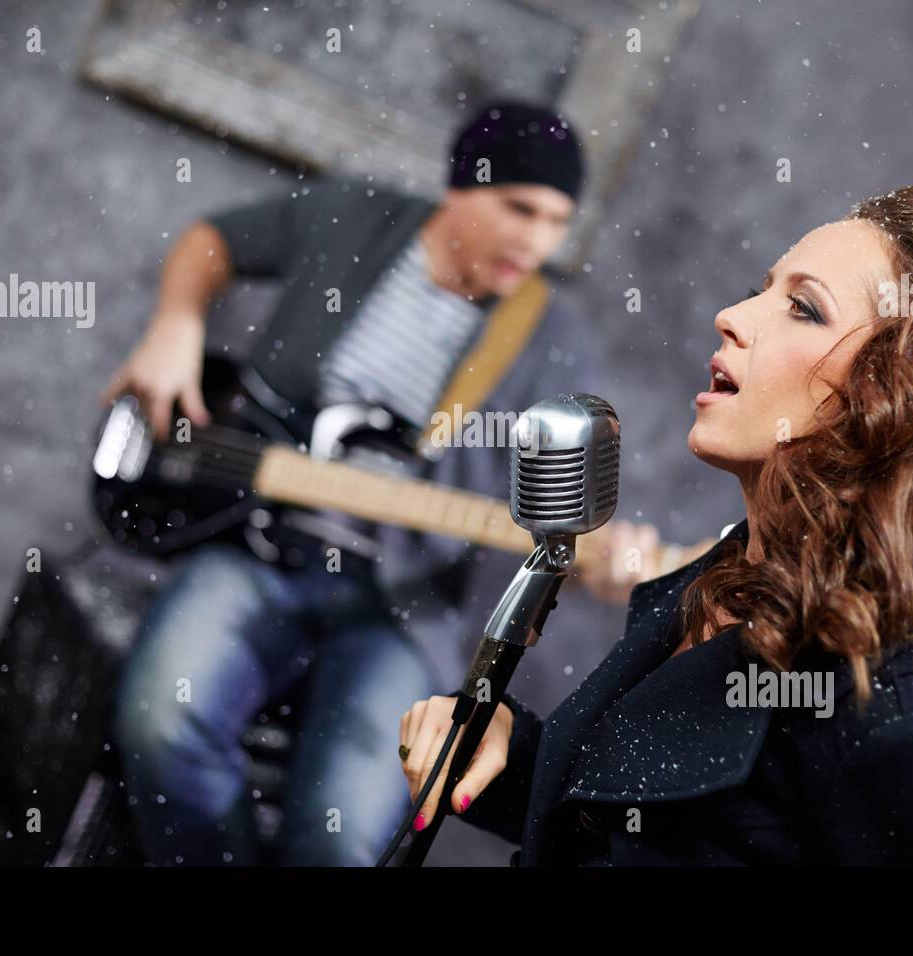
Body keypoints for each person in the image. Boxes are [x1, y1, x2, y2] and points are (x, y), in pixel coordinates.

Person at [399, 184, 913, 865]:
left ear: (898, 400)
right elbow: (643, 832)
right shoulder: (712, 588)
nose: (733, 317)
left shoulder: (902, 720)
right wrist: (510, 756)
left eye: (804, 308)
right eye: (760, 291)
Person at [105, 100, 651, 867]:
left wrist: (600, 558)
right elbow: (213, 241)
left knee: (345, 838)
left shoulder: (551, 339)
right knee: (160, 726)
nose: (537, 241)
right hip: (256, 547)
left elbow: (558, 504)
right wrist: (175, 324)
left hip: (402, 606)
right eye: (519, 208)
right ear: (463, 184)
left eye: (558, 222)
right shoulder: (351, 215)